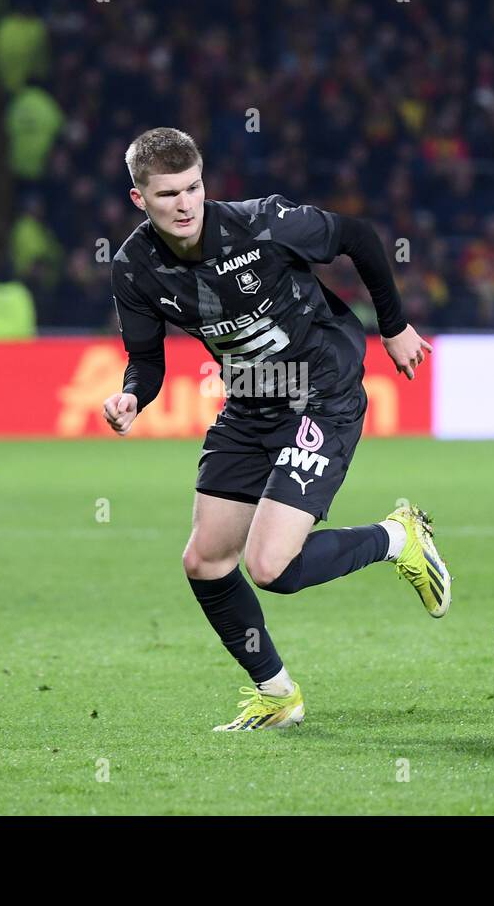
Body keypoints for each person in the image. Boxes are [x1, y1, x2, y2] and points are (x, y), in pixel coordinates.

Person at [103, 127, 450, 732]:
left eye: (193, 188)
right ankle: (277, 696)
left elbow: (358, 238)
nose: (185, 205)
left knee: (271, 568)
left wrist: (393, 327)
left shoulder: (262, 222)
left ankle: (397, 539)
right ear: (140, 199)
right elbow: (148, 361)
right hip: (250, 403)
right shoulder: (135, 266)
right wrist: (134, 395)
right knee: (206, 561)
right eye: (168, 195)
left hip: (322, 394)